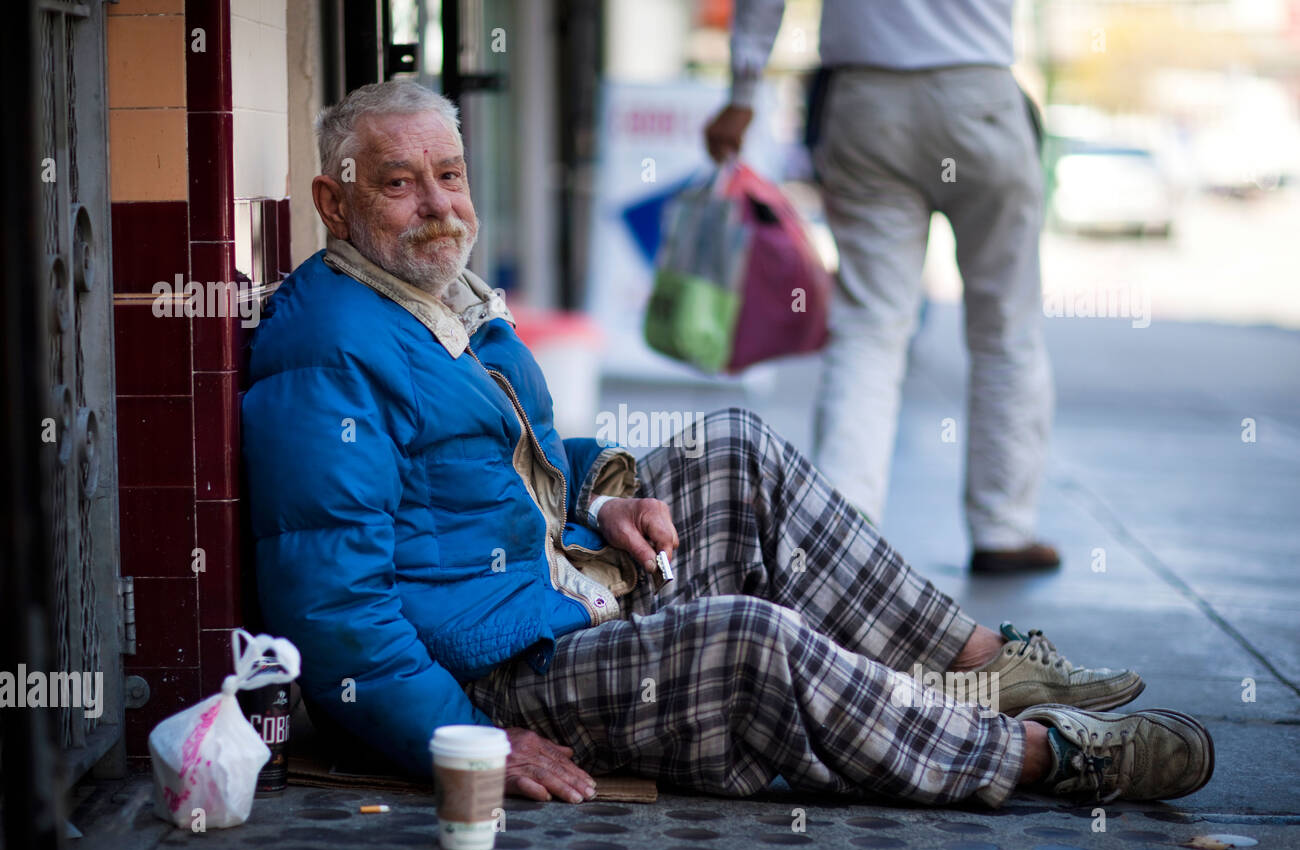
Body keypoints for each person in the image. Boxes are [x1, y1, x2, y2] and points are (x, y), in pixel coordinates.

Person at [242, 80, 1213, 810]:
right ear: (335, 204)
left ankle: (986, 663)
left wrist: (605, 493)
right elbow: (333, 611)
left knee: (737, 452)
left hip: (557, 582)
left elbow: (521, 449)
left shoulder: (436, 295)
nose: (438, 205)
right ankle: (1047, 755)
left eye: (448, 176)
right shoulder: (329, 345)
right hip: (500, 671)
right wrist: (467, 737)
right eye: (399, 184)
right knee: (752, 643)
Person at [706, 0, 1061, 573]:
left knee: (868, 330)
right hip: (980, 93)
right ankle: (1004, 529)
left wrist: (743, 93)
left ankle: (842, 534)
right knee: (1006, 330)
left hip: (867, 101)